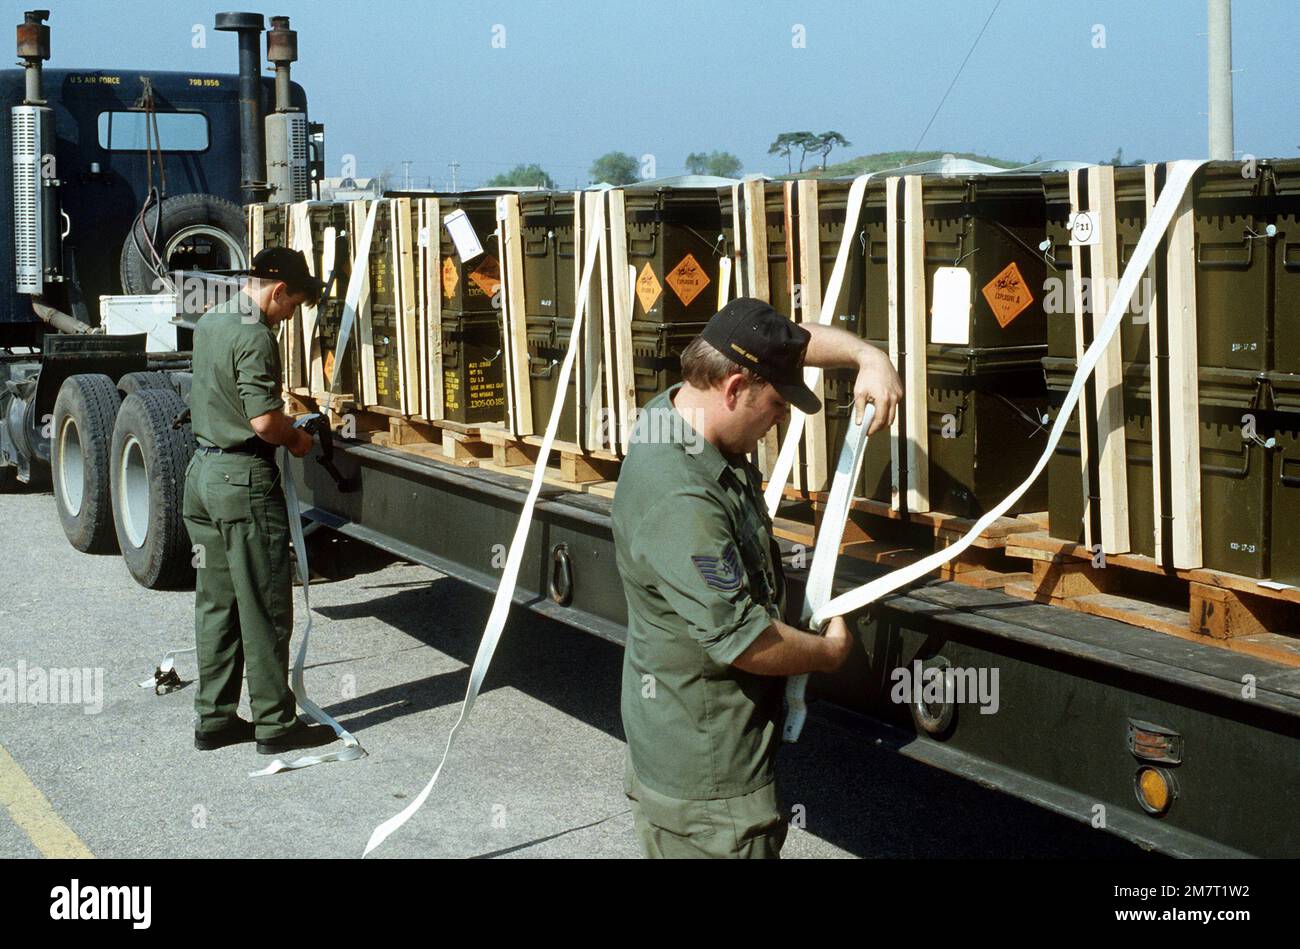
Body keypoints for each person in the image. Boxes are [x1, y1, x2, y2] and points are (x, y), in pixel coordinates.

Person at [613, 296, 902, 858]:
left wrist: (868, 356)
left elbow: (792, 340)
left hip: (689, 754)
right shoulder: (682, 500)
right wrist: (828, 654)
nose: (781, 422)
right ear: (734, 387)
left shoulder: (679, 410)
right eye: (776, 404)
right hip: (710, 787)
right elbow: (746, 640)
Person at [184, 247, 337, 755]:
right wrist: (298, 439)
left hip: (202, 474)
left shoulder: (212, 320)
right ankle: (274, 724)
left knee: (218, 604)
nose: (290, 315)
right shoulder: (254, 334)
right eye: (292, 305)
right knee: (265, 603)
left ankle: (215, 717)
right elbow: (264, 423)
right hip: (242, 480)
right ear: (277, 291)